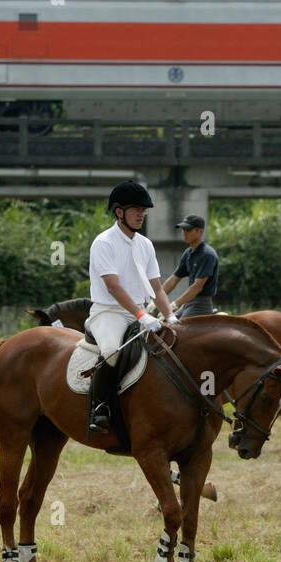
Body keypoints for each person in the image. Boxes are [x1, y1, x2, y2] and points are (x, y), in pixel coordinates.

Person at [86, 180, 177, 434]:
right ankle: (100, 408)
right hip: (108, 312)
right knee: (112, 351)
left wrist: (170, 315)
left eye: (143, 210)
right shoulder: (104, 242)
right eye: (136, 209)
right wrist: (140, 315)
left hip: (140, 311)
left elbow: (157, 288)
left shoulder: (145, 244)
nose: (141, 215)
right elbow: (114, 287)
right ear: (119, 212)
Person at [162, 214, 219, 319]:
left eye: (188, 230)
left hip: (201, 305)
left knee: (179, 330)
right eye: (183, 229)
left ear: (200, 232)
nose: (184, 233)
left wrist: (174, 305)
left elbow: (197, 287)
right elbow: (173, 279)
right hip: (188, 303)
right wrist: (157, 299)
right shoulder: (188, 253)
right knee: (164, 324)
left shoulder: (207, 254)